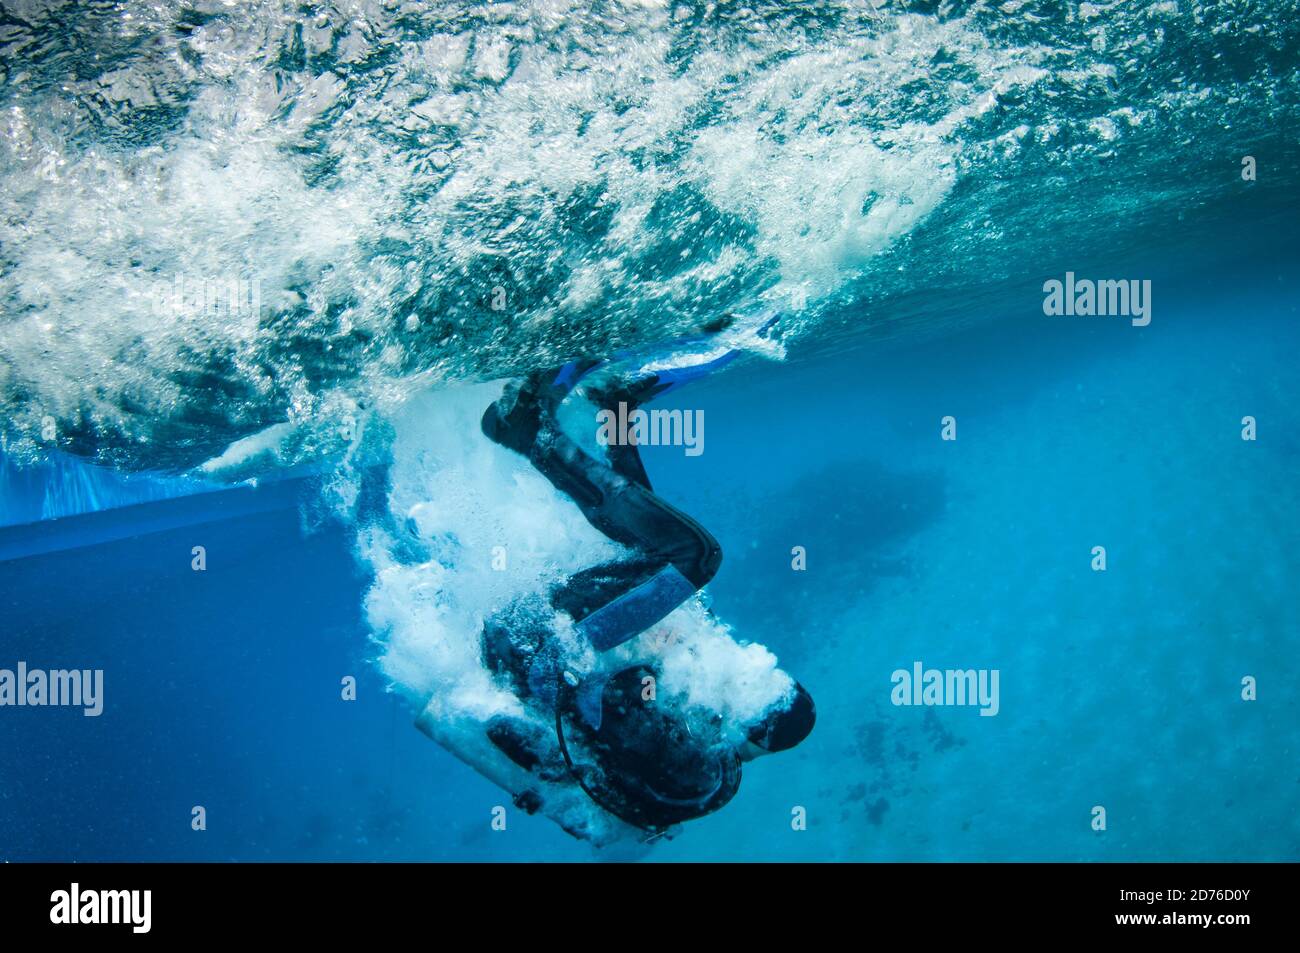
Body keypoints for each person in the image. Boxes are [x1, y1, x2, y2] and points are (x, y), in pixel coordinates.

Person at [476, 321, 815, 835]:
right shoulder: (708, 760)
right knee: (667, 573)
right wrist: (669, 637)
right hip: (544, 652)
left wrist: (657, 650)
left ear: (756, 722)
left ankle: (527, 433)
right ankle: (615, 415)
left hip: (533, 655)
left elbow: (612, 703)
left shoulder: (693, 768)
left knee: (694, 559)